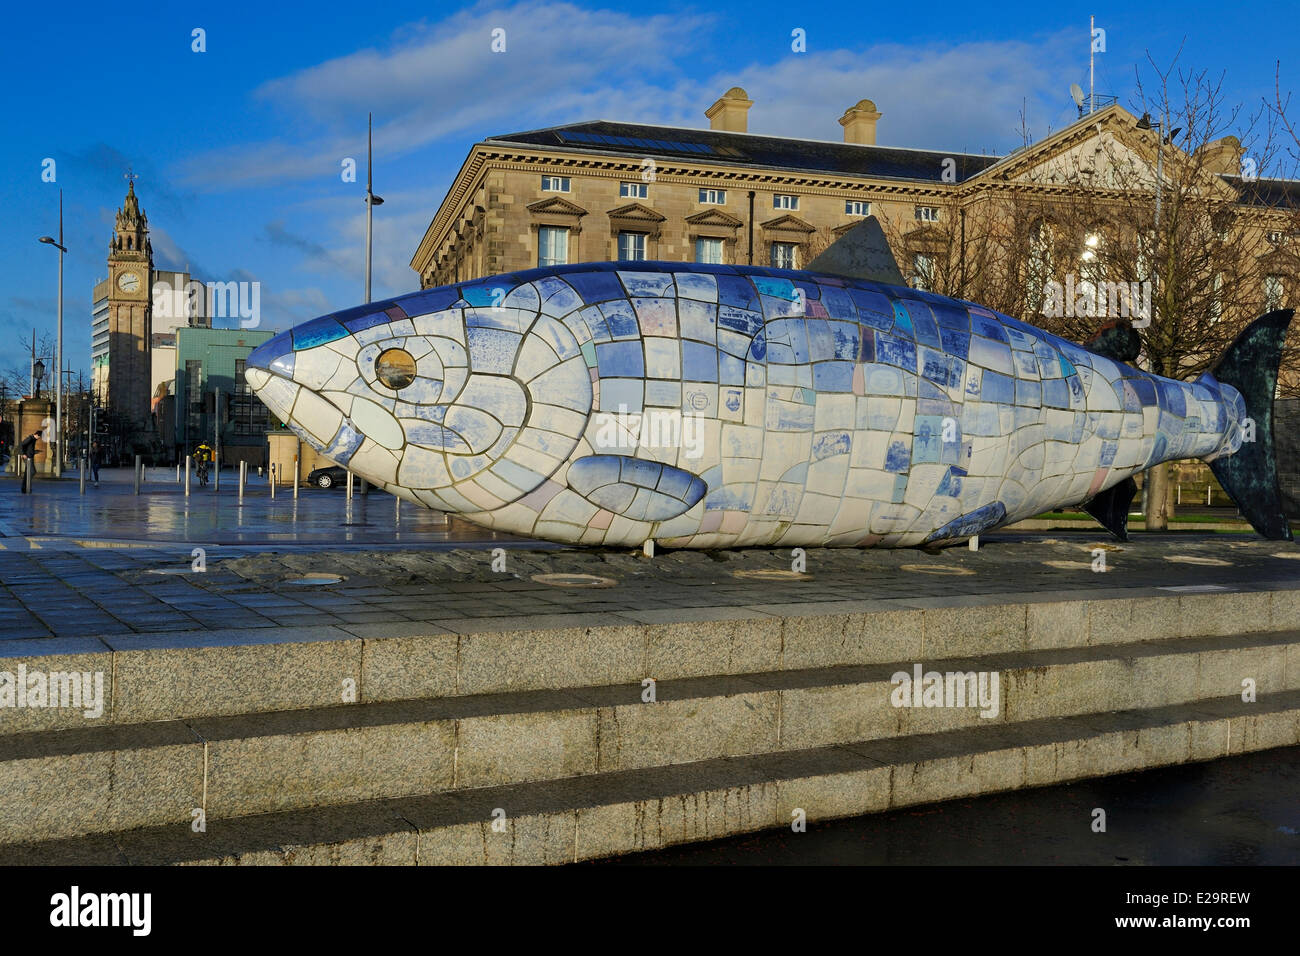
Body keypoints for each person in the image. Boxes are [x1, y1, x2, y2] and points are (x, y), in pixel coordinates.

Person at [19, 429, 42, 494]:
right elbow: (22, 445)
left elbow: (29, 449)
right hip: (27, 458)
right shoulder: (30, 439)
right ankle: (26, 486)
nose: (39, 438)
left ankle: (25, 487)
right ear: (37, 435)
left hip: (30, 457)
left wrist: (36, 451)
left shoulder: (33, 439)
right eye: (39, 437)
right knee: (32, 471)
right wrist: (23, 454)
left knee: (28, 472)